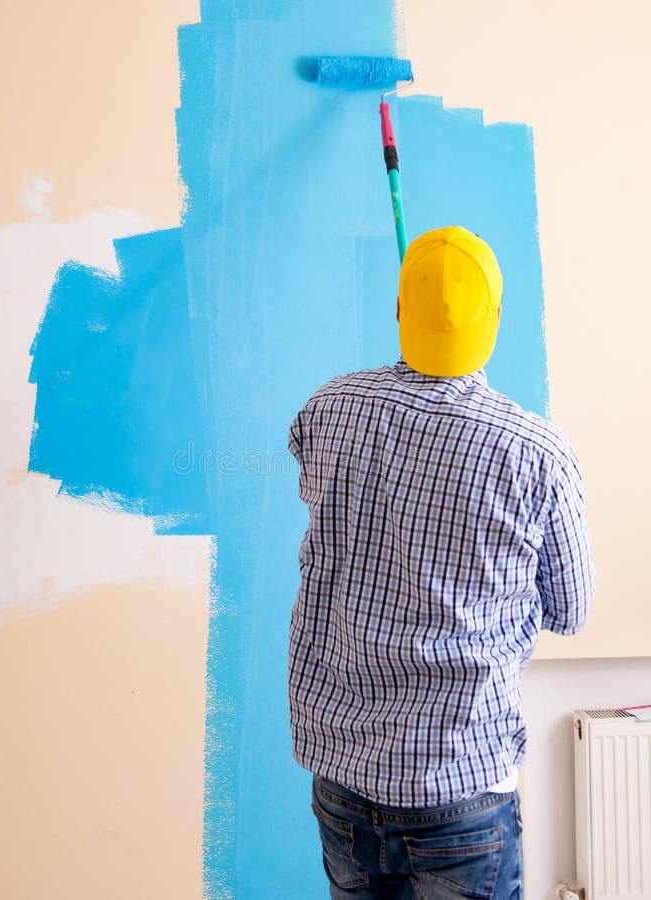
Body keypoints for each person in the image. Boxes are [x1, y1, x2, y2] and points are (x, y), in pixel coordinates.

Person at [287, 226, 594, 899]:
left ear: (399, 310)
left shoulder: (328, 409)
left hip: (343, 777)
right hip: (461, 787)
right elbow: (571, 610)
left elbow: (322, 495)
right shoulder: (535, 452)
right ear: (497, 319)